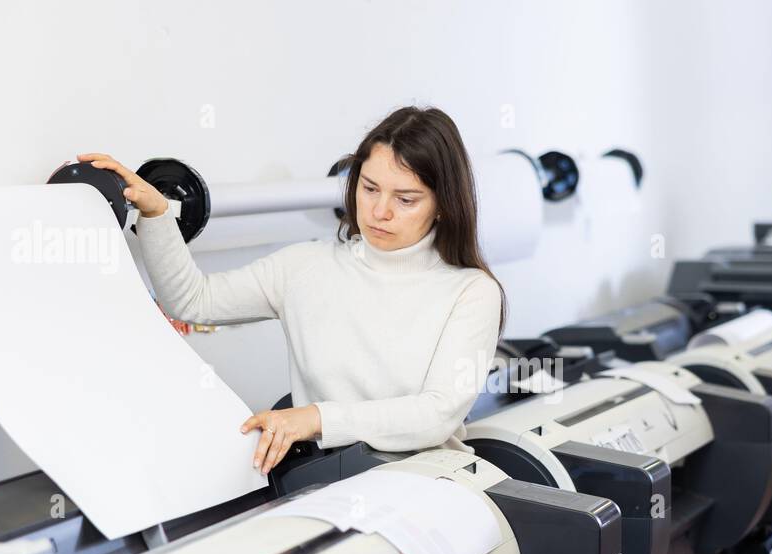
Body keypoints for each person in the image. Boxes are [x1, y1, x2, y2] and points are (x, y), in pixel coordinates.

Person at [79, 105, 506, 474]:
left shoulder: (471, 292)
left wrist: (315, 418)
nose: (379, 211)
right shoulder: (306, 266)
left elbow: (435, 416)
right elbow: (192, 300)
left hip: (434, 487)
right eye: (370, 188)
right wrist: (156, 215)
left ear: (444, 205)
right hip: (328, 481)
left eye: (406, 199)